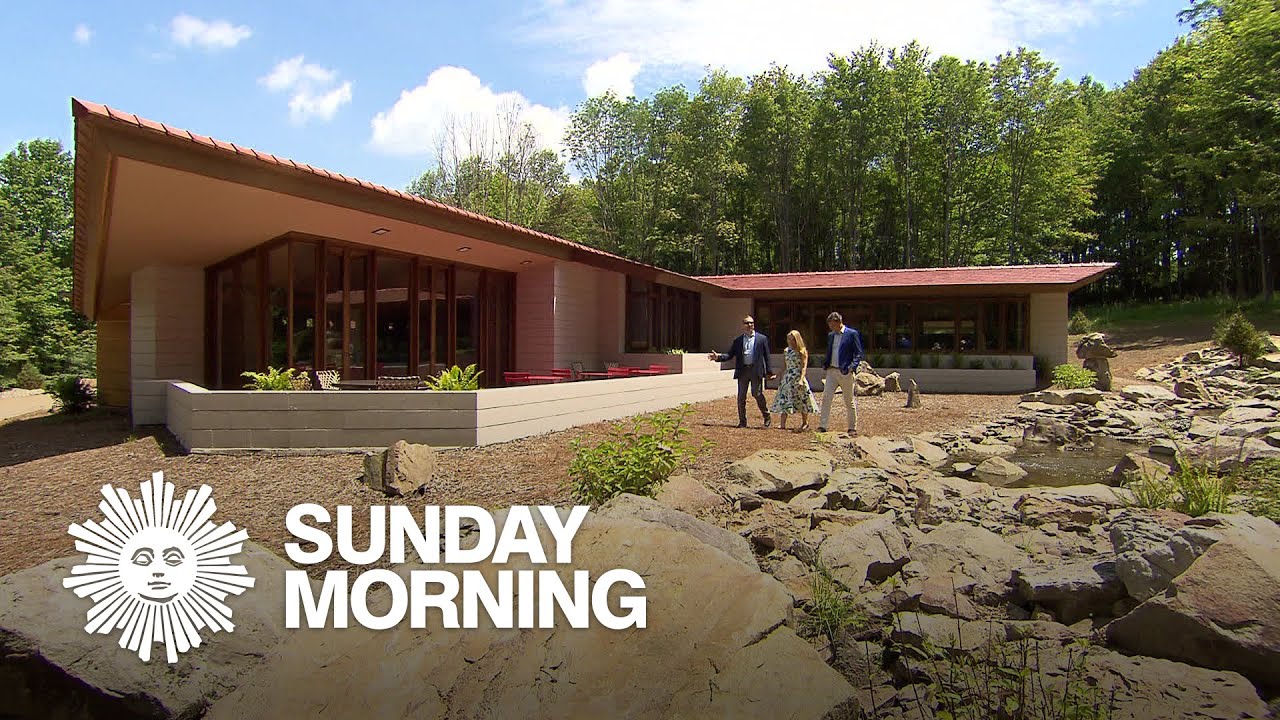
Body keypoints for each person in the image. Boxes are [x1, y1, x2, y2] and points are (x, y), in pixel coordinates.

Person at [708, 316, 775, 428]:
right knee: (741, 397)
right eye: (747, 323)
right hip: (743, 371)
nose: (749, 325)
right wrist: (718, 358)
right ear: (743, 325)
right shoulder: (738, 340)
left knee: (756, 394)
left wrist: (769, 372)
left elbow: (766, 356)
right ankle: (742, 421)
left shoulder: (761, 339)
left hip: (755, 370)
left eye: (751, 323)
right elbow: (730, 355)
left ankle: (766, 415)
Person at [819, 311, 865, 434]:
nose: (831, 328)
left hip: (845, 371)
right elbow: (830, 351)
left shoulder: (851, 334)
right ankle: (823, 425)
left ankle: (852, 427)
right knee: (826, 398)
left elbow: (859, 353)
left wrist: (852, 367)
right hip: (832, 370)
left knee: (848, 400)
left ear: (838, 322)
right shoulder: (831, 336)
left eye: (833, 325)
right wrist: (826, 364)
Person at [769, 330, 820, 431]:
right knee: (785, 399)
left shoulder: (802, 350)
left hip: (798, 377)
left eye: (792, 339)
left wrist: (801, 379)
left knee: (802, 399)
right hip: (788, 378)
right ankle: (782, 424)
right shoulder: (786, 350)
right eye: (788, 339)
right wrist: (777, 375)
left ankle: (805, 423)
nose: (790, 341)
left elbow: (804, 367)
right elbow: (785, 365)